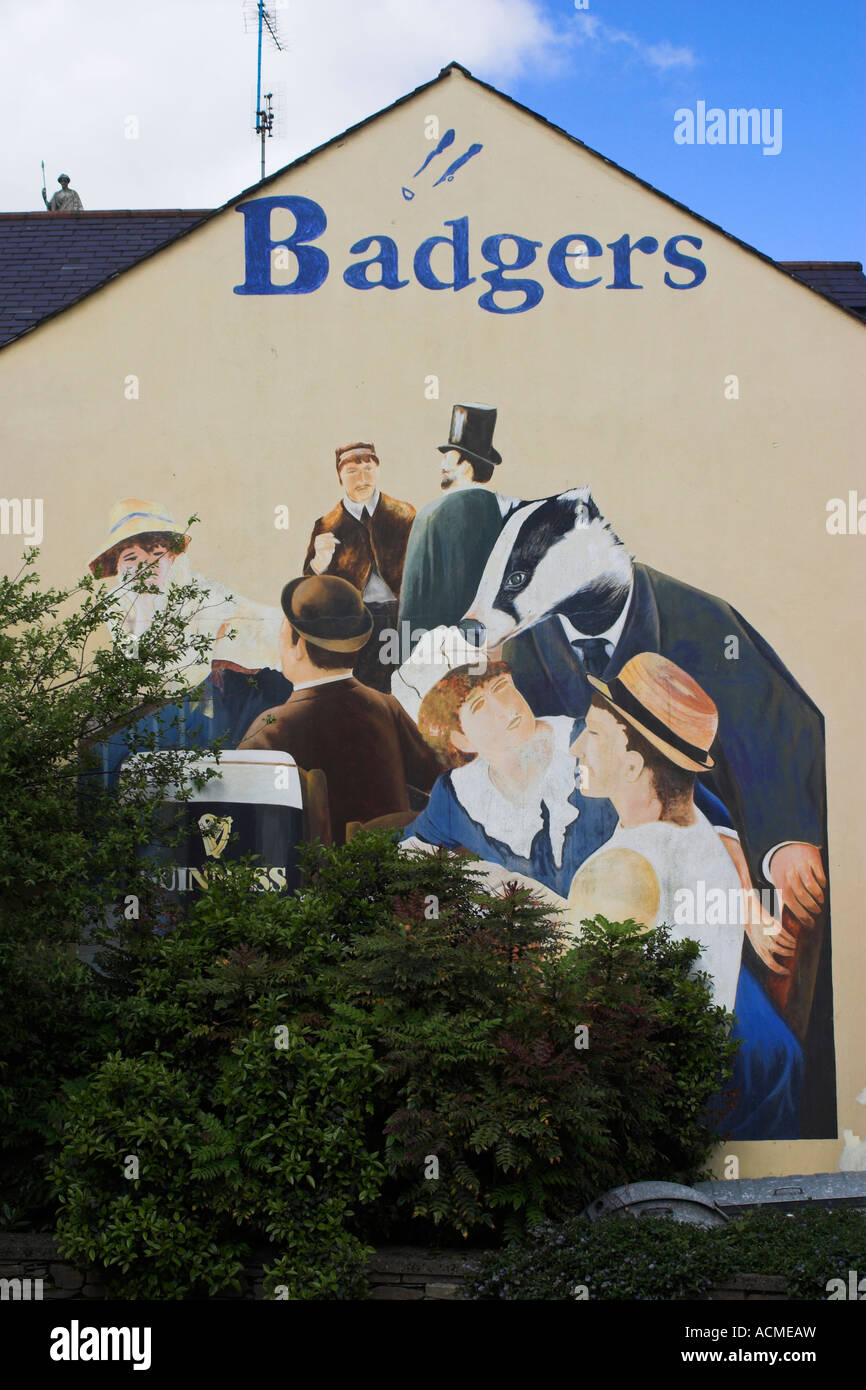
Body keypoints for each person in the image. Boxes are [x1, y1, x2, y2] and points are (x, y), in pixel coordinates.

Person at [568, 652, 803, 1137]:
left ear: (633, 766)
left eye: (592, 734)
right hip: (699, 1067)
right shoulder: (698, 830)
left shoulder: (621, 870)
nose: (575, 749)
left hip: (655, 1105)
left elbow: (584, 1011)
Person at [240, 575, 440, 843]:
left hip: (316, 880)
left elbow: (234, 809)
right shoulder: (385, 706)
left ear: (297, 645)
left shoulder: (274, 726)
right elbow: (438, 779)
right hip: (393, 869)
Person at [88, 498, 290, 757]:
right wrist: (141, 611)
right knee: (102, 745)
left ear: (171, 558)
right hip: (147, 704)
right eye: (130, 557)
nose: (145, 566)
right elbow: (135, 665)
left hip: (203, 702)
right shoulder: (117, 605)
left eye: (157, 554)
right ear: (118, 565)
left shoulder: (201, 593)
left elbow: (186, 671)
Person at [397, 403, 520, 646]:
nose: (441, 466)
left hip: (438, 655)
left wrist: (404, 659)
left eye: (447, 457)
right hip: (494, 648)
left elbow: (413, 602)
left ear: (465, 464)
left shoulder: (430, 517)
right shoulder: (506, 513)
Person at [302, 442, 415, 692]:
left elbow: (422, 570)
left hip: (403, 618)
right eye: (352, 471)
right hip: (357, 625)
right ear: (339, 477)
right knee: (366, 692)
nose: (362, 479)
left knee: (407, 687)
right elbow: (308, 589)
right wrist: (318, 564)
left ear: (377, 470)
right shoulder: (326, 525)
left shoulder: (404, 514)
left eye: (368, 469)